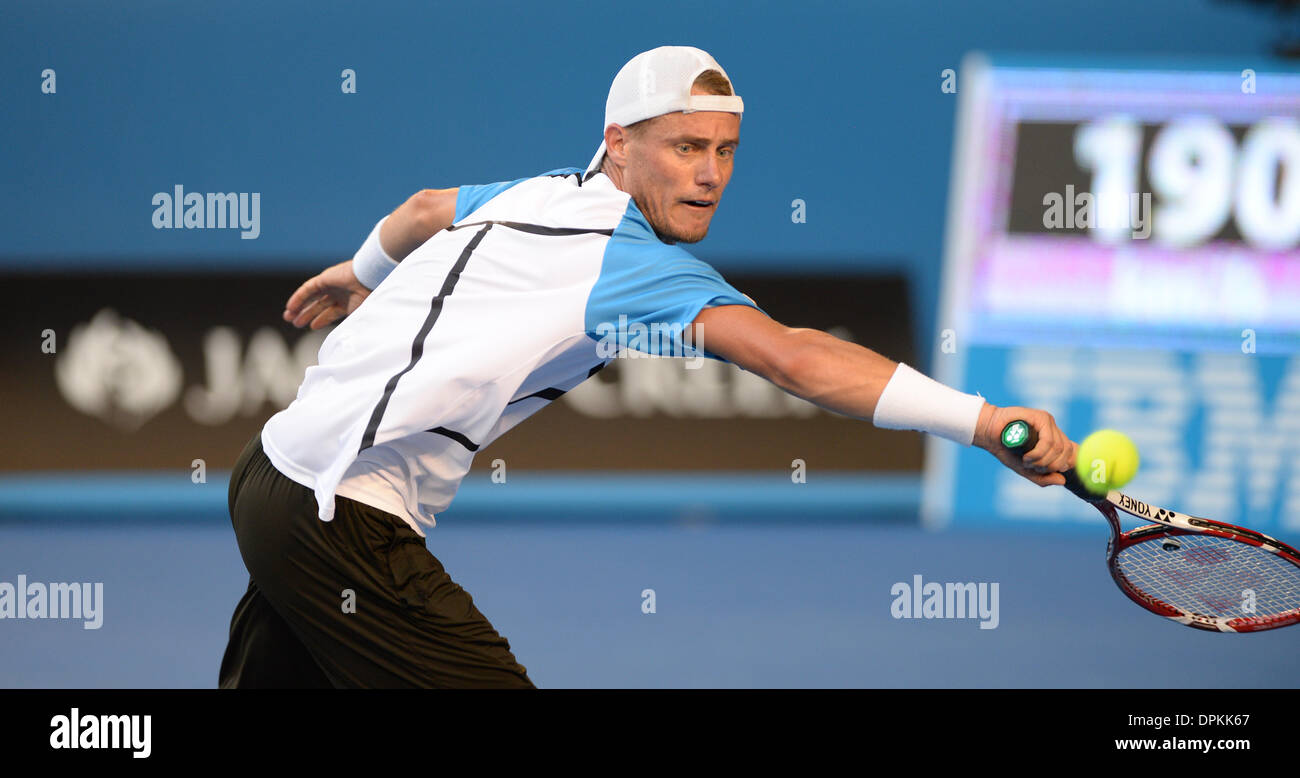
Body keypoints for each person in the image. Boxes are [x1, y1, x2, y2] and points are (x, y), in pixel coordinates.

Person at [218, 45, 1077, 689]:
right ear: (619, 145)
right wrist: (982, 422)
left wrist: (357, 274)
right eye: (685, 148)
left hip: (268, 478)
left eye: (726, 151)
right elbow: (794, 358)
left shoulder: (537, 190)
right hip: (343, 514)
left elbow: (419, 211)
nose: (710, 176)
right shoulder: (634, 264)